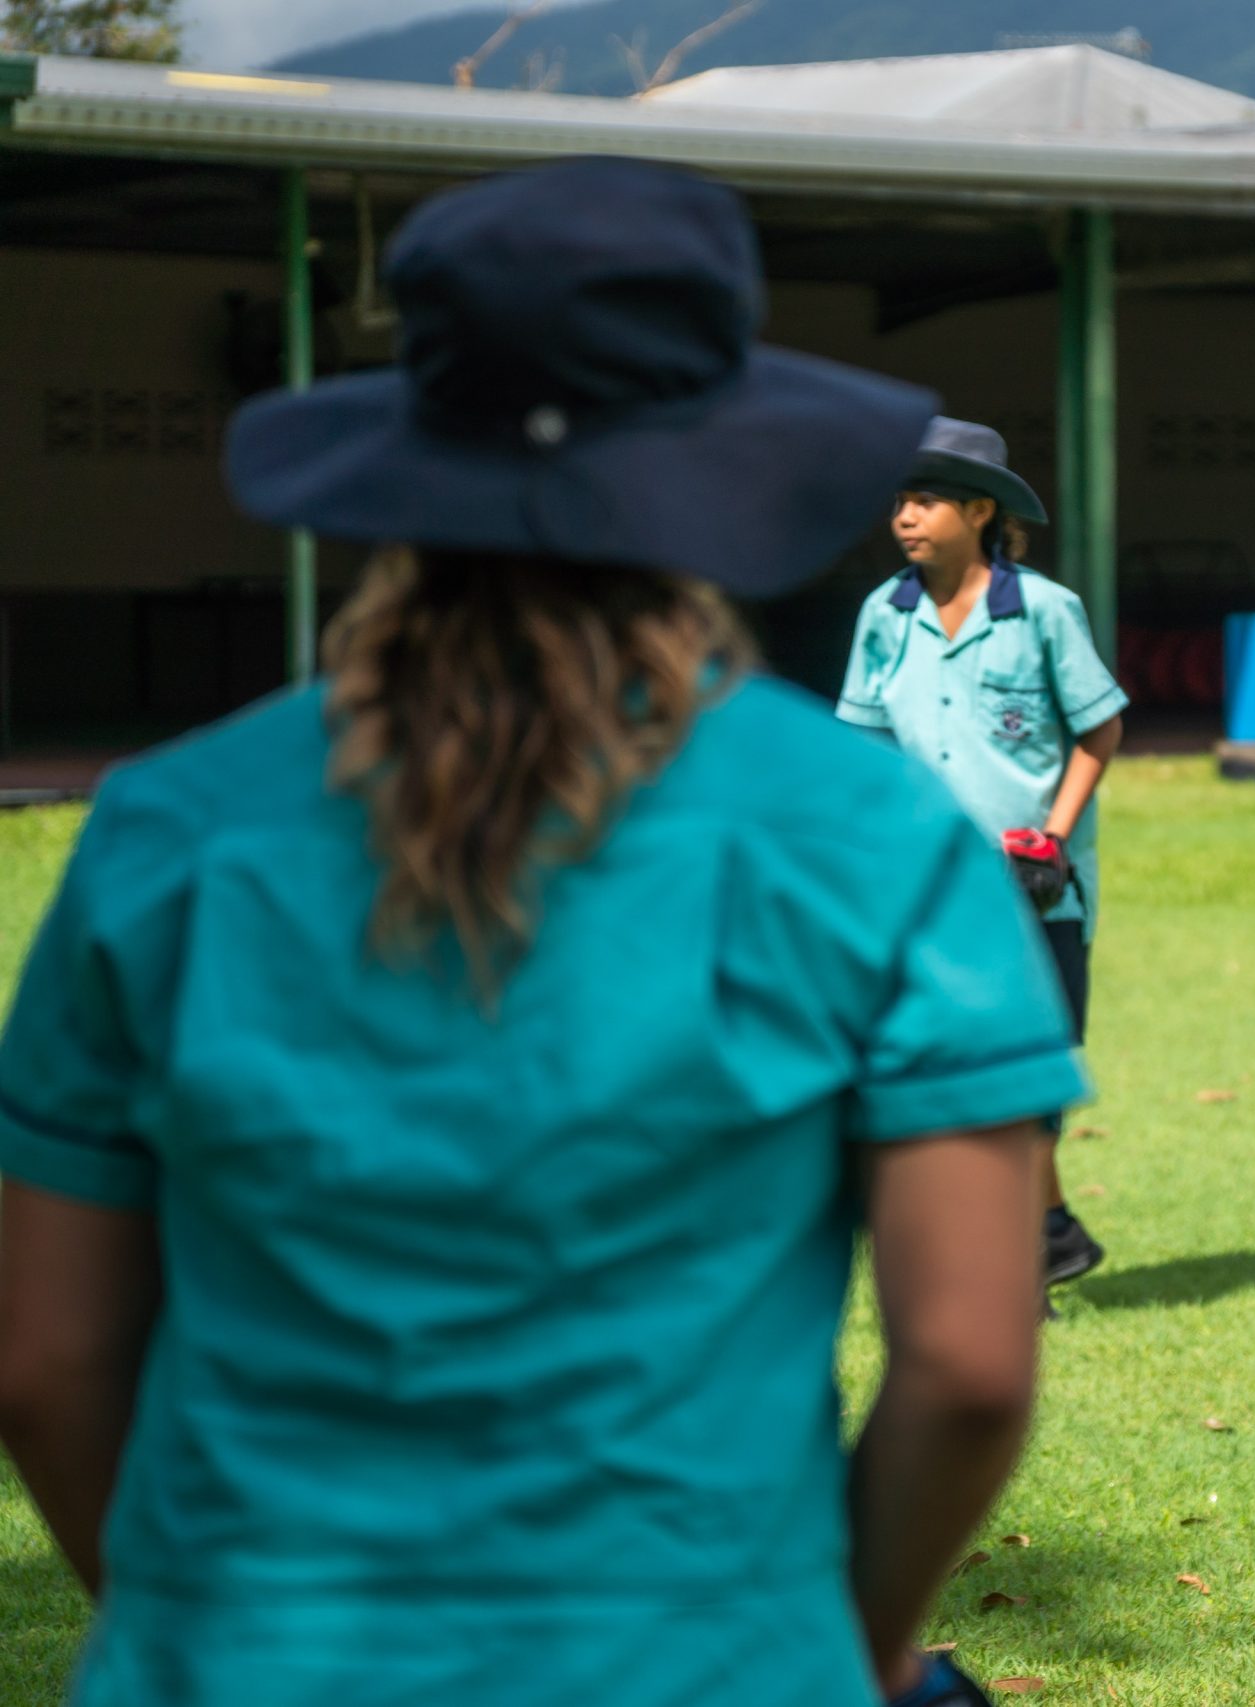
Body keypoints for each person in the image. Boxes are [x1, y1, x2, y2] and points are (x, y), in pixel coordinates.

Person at [0, 158, 1079, 1707]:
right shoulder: (875, 839)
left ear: (408, 452)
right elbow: (971, 1367)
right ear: (721, 459)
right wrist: (825, 1641)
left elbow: (42, 1357)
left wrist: (203, 1624)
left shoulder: (170, 827)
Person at [837, 420, 1127, 1299]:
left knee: (1030, 1066)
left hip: (1038, 891)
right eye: (898, 500)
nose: (905, 517)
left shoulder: (1042, 610)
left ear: (979, 510)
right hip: (927, 890)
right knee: (957, 1069)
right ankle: (1036, 1242)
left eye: (925, 500)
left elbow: (1099, 728)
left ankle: (1037, 1239)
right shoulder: (884, 615)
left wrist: (1051, 835)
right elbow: (867, 748)